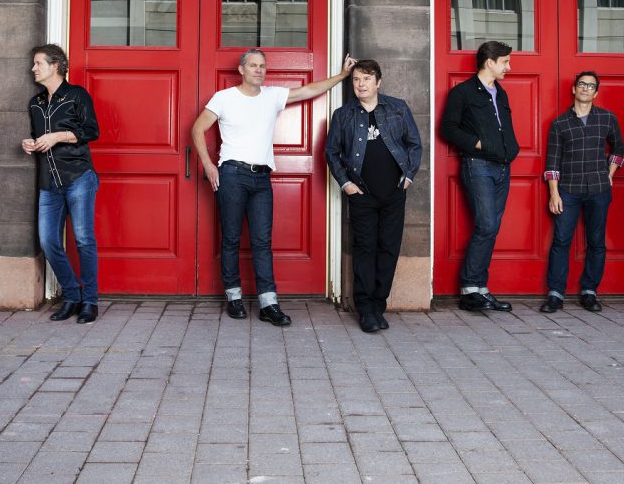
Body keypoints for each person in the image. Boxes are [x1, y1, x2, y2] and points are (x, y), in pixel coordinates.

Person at [191, 49, 357, 326]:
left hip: (261, 179)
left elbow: (308, 91)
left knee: (261, 242)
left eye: (262, 66)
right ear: (242, 70)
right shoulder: (224, 98)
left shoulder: (272, 96)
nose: (259, 70)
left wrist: (342, 75)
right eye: (253, 65)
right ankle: (233, 298)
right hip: (231, 174)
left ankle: (269, 303)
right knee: (231, 238)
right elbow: (197, 129)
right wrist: (209, 165)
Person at [326, 59, 422, 333]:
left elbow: (414, 145)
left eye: (366, 79)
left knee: (388, 249)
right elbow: (331, 152)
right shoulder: (343, 115)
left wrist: (408, 176)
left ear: (378, 82)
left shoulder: (398, 108)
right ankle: (366, 309)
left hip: (394, 193)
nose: (361, 84)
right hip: (362, 194)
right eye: (356, 79)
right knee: (365, 249)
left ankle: (379, 305)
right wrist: (345, 184)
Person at [22, 44, 101, 324]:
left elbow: (92, 131)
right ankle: (72, 295)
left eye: (38, 63)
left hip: (78, 177)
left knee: (83, 239)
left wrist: (58, 136)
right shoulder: (35, 103)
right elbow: (36, 135)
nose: (33, 68)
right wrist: (30, 144)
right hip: (49, 182)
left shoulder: (76, 95)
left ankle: (89, 301)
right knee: (48, 241)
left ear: (55, 65)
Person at [440, 41, 518, 312]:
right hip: (478, 166)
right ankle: (470, 287)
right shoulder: (462, 93)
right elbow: (448, 129)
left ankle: (480, 289)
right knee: (486, 225)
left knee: (491, 228)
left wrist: (511, 148)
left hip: (503, 167)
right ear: (490, 62)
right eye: (505, 62)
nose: (509, 67)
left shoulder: (501, 93)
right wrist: (479, 144)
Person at [539, 71, 624, 314]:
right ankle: (555, 294)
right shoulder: (559, 124)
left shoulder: (607, 119)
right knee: (561, 241)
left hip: (599, 189)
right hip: (568, 190)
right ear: (574, 89)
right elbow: (552, 161)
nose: (586, 88)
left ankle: (590, 291)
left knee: (596, 242)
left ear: (596, 93)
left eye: (591, 86)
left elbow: (619, 148)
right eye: (582, 84)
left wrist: (610, 173)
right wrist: (554, 194)